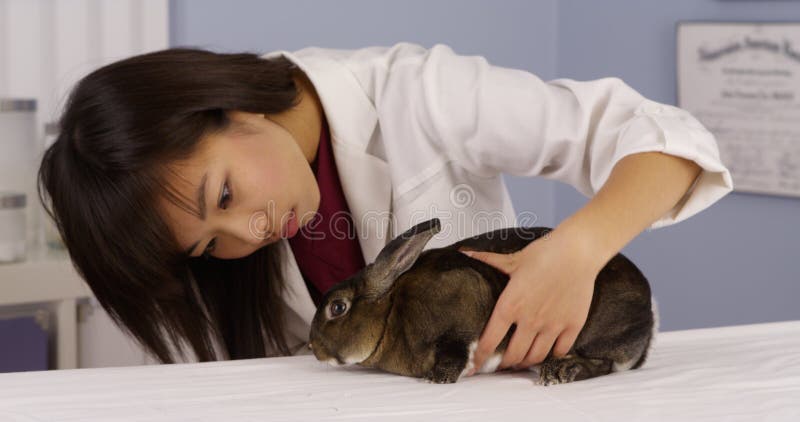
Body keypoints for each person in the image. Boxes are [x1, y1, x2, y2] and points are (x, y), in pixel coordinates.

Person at [38, 42, 733, 373]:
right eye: (208, 245)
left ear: (229, 104)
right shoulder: (241, 260)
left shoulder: (419, 94)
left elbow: (666, 142)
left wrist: (578, 251)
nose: (245, 233)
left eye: (222, 194)